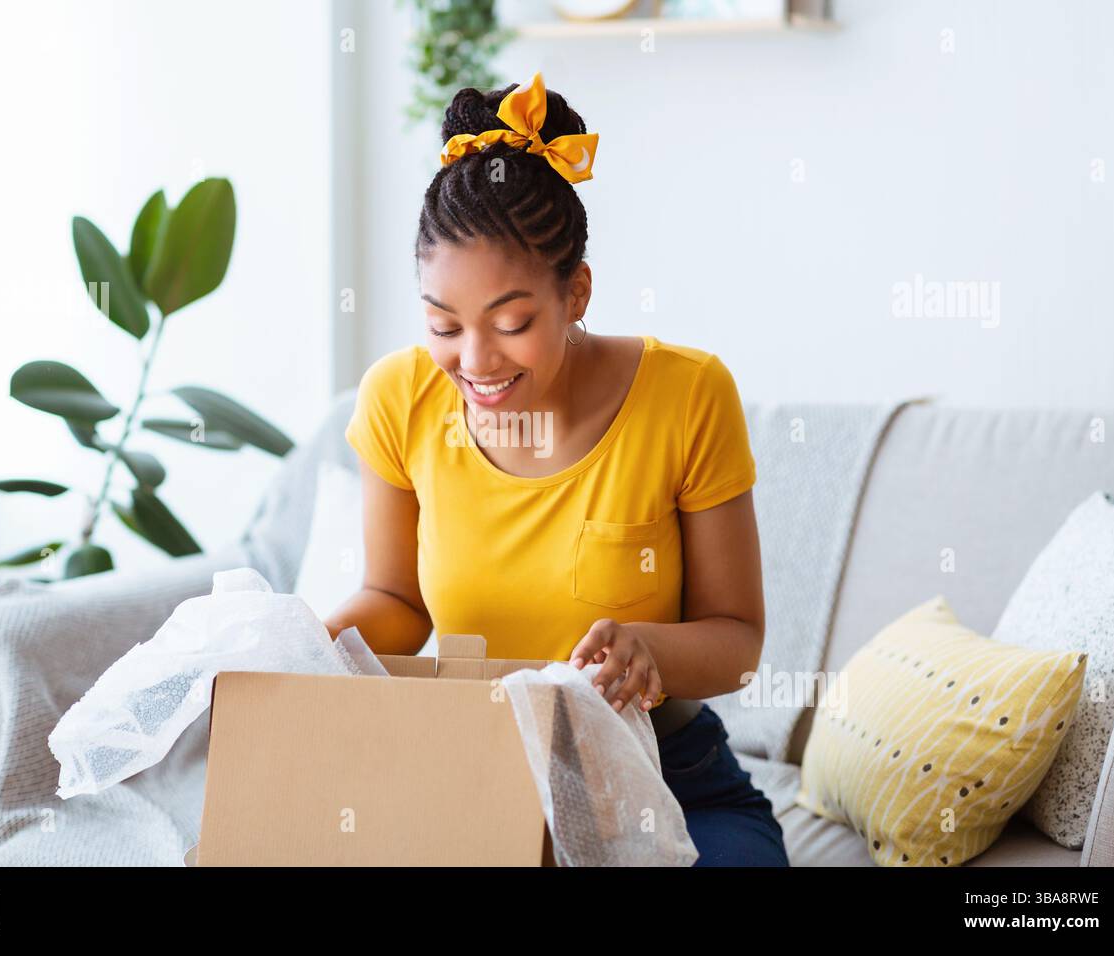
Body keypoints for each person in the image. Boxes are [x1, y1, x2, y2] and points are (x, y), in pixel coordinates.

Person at [324, 72, 788, 867]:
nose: (474, 362)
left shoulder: (687, 394)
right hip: (475, 767)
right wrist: (301, 648)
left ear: (576, 292)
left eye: (511, 322)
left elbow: (738, 640)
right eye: (443, 324)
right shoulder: (399, 397)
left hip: (666, 772)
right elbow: (398, 601)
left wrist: (651, 652)